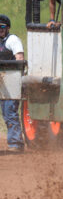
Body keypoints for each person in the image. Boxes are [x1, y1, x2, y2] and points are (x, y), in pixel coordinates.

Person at [0, 15, 25, 152]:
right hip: (2, 82)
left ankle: (16, 143)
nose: (0, 29)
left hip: (11, 80)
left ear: (8, 28)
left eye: (2, 27)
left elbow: (19, 59)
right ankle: (15, 142)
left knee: (10, 111)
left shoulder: (12, 40)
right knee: (5, 112)